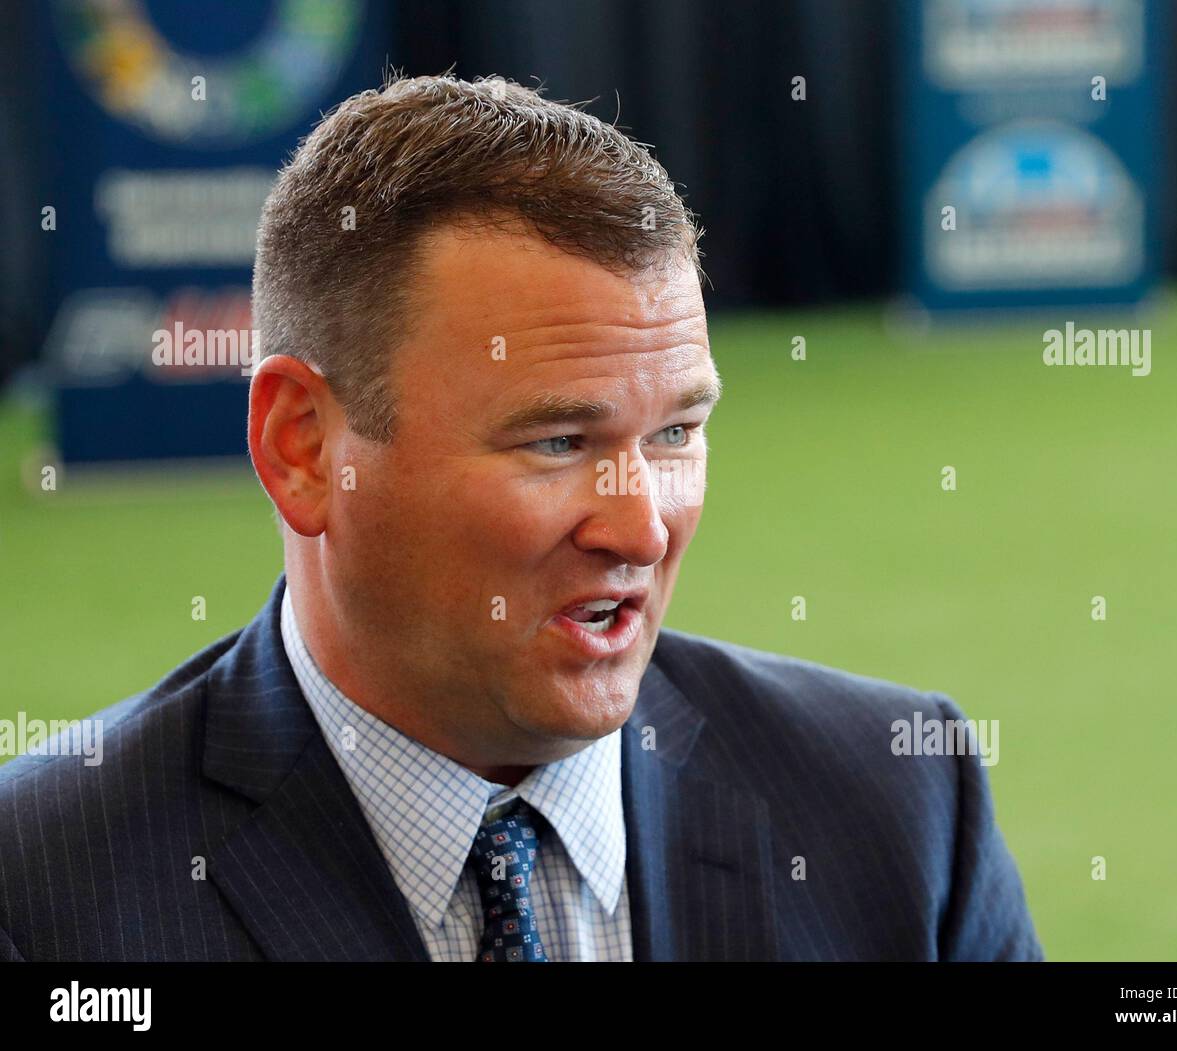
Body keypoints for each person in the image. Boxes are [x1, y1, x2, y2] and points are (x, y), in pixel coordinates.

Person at [0, 74, 1042, 962]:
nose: (641, 532)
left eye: (676, 433)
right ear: (303, 448)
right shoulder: (42, 892)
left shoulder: (900, 808)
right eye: (556, 443)